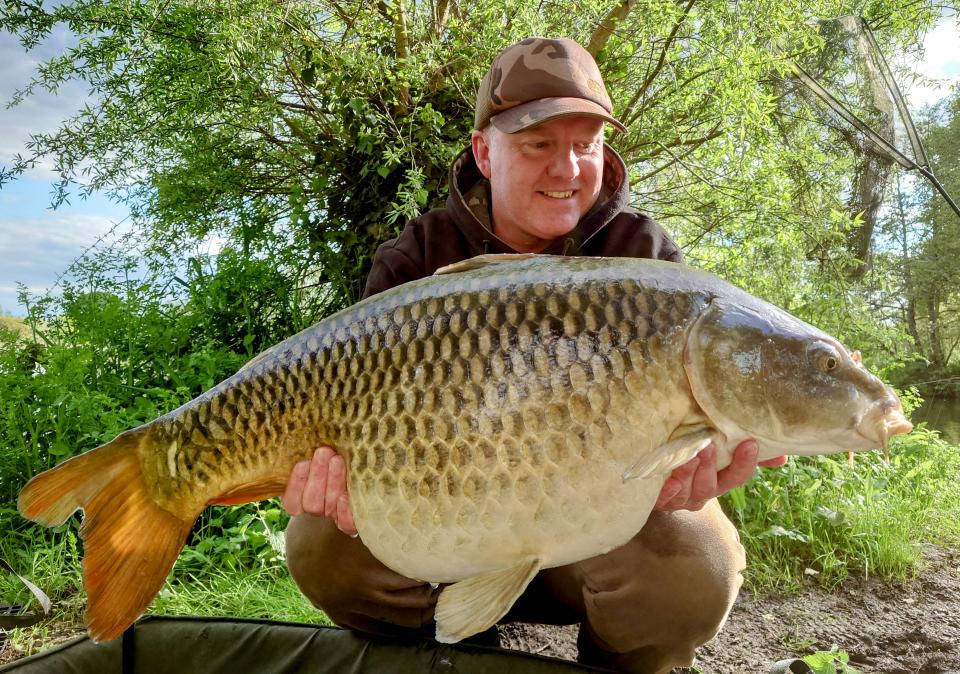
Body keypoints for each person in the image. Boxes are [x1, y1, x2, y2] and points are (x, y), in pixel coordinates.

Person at [283, 37, 787, 674]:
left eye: (586, 145)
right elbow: (342, 413)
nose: (567, 169)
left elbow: (691, 437)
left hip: (596, 536)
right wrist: (330, 480)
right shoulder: (417, 259)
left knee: (698, 566)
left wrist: (694, 469)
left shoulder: (643, 258)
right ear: (483, 152)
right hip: (444, 529)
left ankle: (612, 665)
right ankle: (449, 653)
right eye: (538, 144)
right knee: (319, 544)